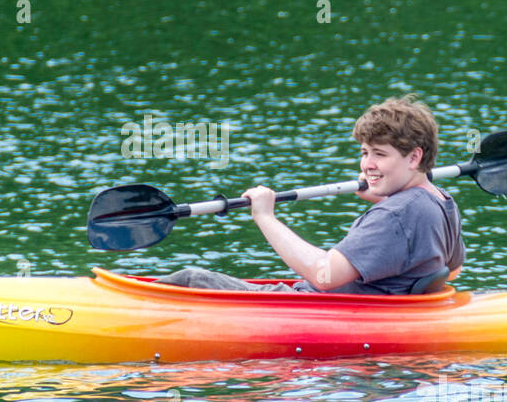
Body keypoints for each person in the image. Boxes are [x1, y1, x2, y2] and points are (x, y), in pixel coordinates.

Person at [153, 95, 465, 295]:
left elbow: (324, 275)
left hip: (314, 308)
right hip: (372, 307)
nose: (367, 165)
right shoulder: (439, 202)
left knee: (191, 279)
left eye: (380, 155)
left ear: (413, 157)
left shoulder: (395, 216)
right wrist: (386, 198)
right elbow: (451, 269)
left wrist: (265, 216)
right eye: (364, 152)